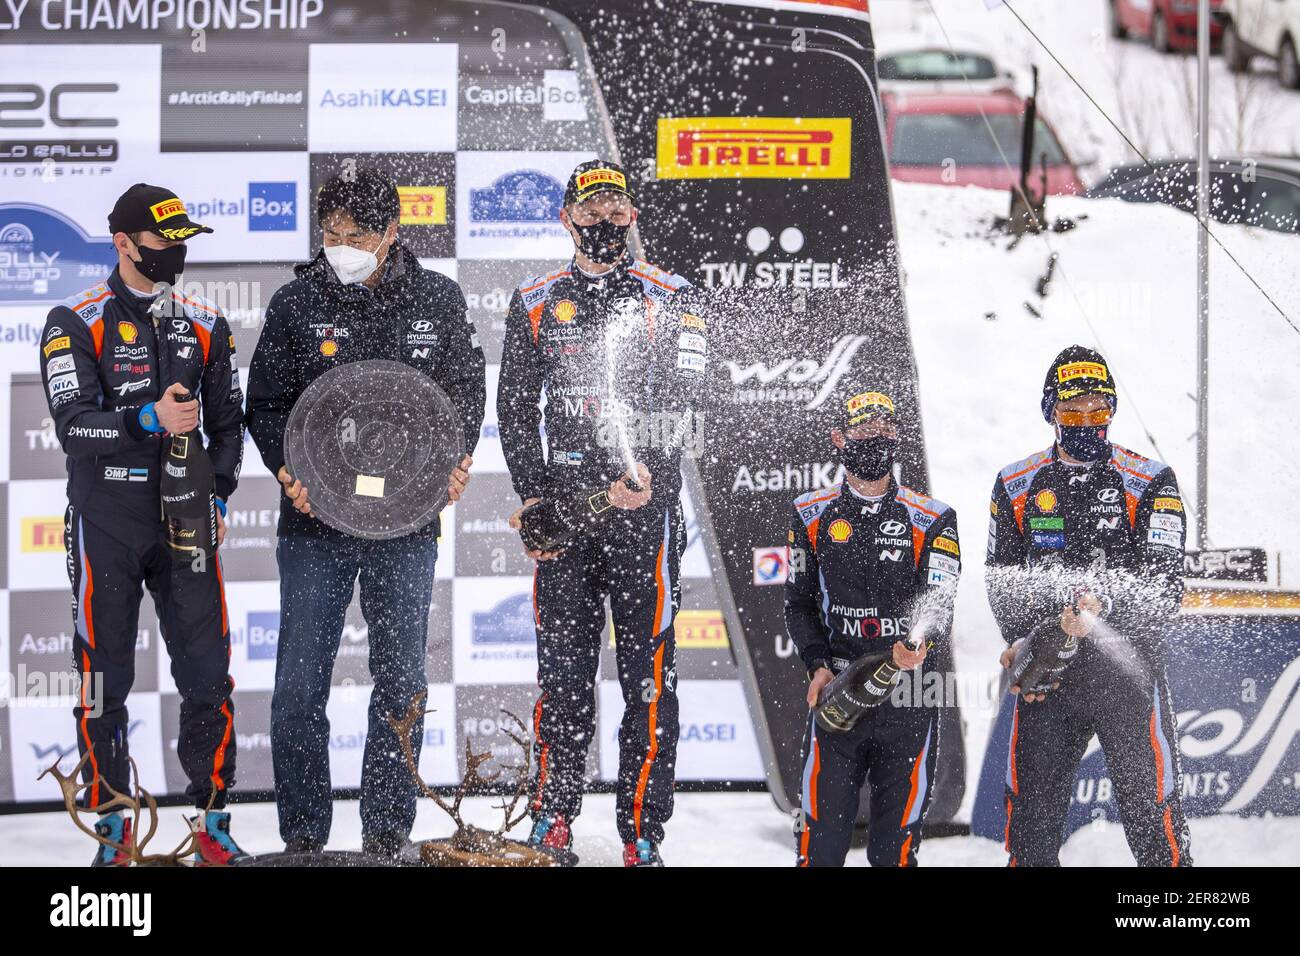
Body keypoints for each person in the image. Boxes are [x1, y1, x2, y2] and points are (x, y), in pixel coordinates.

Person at [245, 167, 485, 858]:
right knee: (297, 685)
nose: (340, 245)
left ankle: (386, 834)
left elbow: (465, 393)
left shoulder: (437, 298)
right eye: (329, 234)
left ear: (392, 234)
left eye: (354, 235)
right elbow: (265, 405)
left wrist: (458, 461)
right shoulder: (296, 301)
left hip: (406, 523)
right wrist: (285, 470)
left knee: (402, 682)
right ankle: (302, 839)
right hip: (313, 521)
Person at [497, 160, 708, 867]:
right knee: (563, 676)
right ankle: (552, 817)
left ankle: (642, 829)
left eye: (618, 209)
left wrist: (650, 467)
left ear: (634, 218)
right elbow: (515, 409)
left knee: (649, 678)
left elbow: (696, 398)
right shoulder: (534, 301)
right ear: (566, 218)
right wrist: (532, 497)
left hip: (645, 513)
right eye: (592, 210)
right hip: (566, 514)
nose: (606, 221)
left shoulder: (672, 296)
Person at [39, 183, 246, 865]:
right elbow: (74, 428)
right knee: (104, 681)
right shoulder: (74, 319)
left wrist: (218, 493)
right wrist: (145, 418)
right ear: (123, 243)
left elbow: (226, 425)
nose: (176, 251)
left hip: (186, 524)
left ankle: (212, 827)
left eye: (183, 238)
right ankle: (113, 832)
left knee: (208, 675)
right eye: (163, 240)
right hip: (108, 523)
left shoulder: (207, 323)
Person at [986, 345, 1192, 867]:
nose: (1085, 422)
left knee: (1156, 827)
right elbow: (1001, 581)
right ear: (1050, 411)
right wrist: (1020, 643)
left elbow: (1165, 585)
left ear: (1112, 412)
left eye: (1098, 411)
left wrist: (1105, 609)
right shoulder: (1015, 483)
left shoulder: (1149, 480)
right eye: (1072, 411)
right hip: (1048, 682)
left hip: (1127, 675)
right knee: (1031, 835)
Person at [785, 387, 960, 867]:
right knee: (819, 848)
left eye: (885, 430)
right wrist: (817, 666)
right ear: (839, 438)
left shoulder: (934, 518)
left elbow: (941, 602)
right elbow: (798, 603)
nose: (875, 439)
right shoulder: (809, 513)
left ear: (897, 438)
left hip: (911, 694)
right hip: (840, 692)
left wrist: (918, 644)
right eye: (864, 430)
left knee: (894, 853)